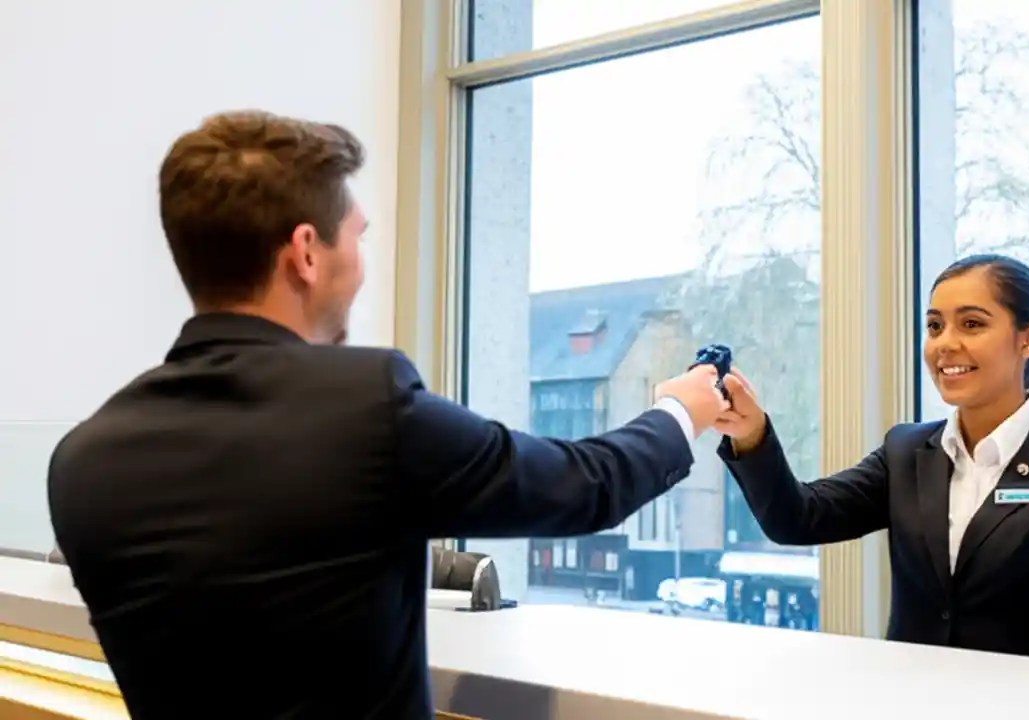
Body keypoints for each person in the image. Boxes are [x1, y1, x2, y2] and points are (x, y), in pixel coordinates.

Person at [46, 110, 728, 719]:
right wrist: (680, 410)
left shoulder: (82, 461)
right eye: (358, 238)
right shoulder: (365, 406)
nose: (362, 265)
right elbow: (583, 486)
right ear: (307, 253)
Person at [714, 254, 1029, 667]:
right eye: (935, 326)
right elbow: (798, 518)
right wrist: (751, 435)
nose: (945, 344)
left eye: (972, 324)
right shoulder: (906, 453)